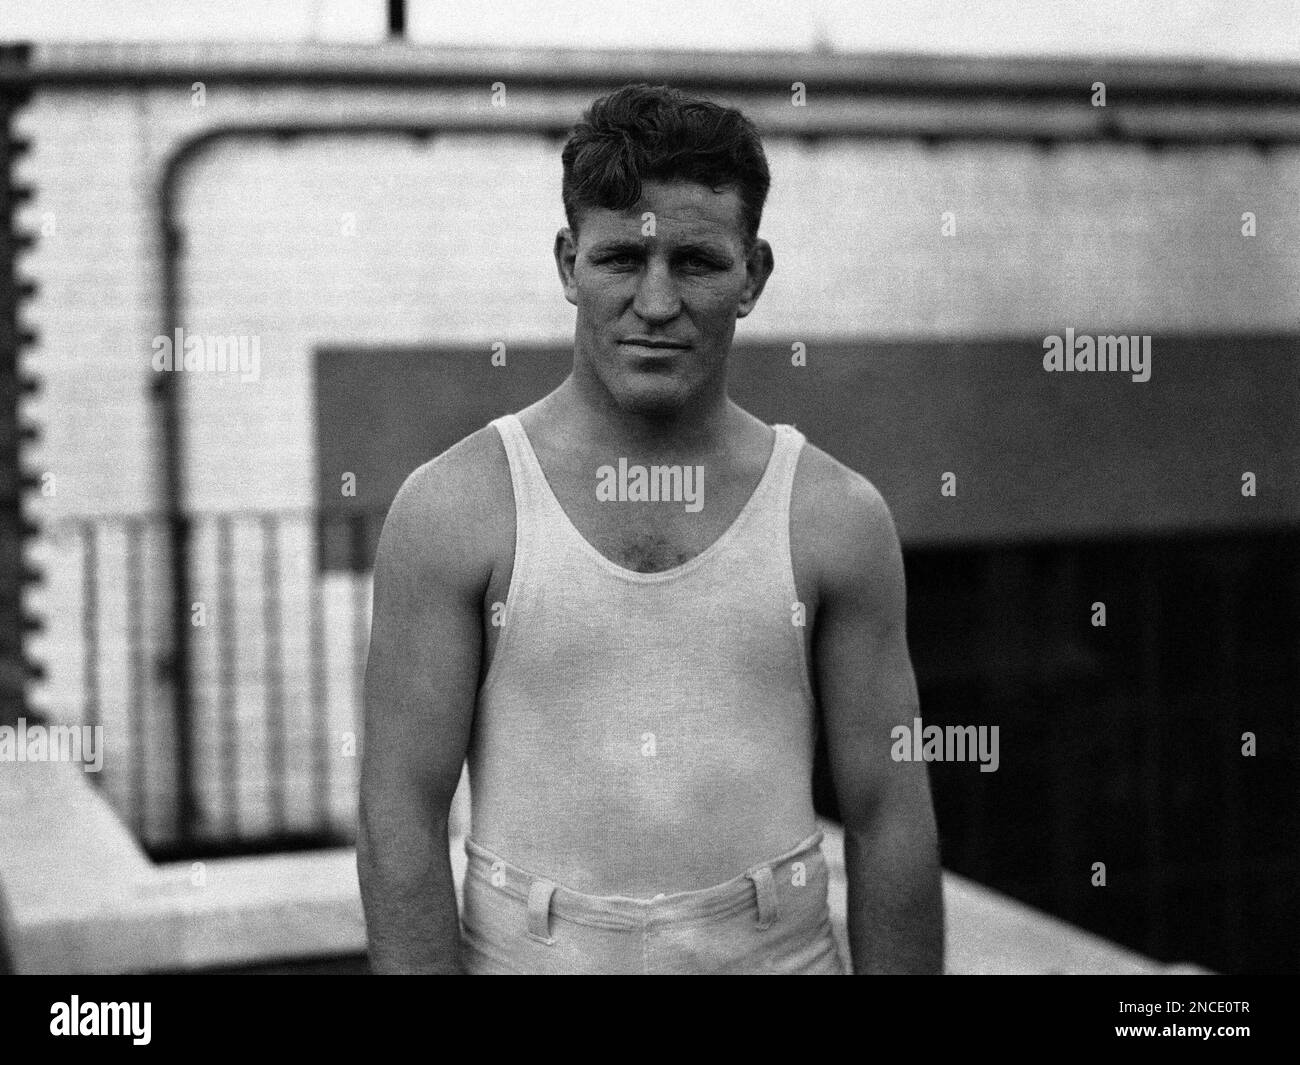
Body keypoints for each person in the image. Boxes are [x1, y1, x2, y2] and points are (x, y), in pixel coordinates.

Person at [357, 83, 943, 974]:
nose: (658, 302)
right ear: (568, 264)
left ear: (754, 274)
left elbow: (889, 812)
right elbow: (398, 812)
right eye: (623, 260)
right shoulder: (455, 508)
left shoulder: (834, 517)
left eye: (698, 262)